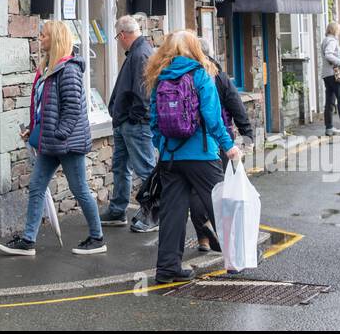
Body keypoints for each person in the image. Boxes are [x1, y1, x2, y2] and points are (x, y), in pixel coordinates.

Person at [0, 20, 106, 257]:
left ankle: (97, 238)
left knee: (80, 190)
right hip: (51, 142)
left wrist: (58, 134)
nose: (40, 39)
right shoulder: (49, 68)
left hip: (66, 144)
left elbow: (72, 109)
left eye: (43, 36)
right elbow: (43, 106)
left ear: (55, 39)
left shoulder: (68, 70)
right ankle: (28, 240)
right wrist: (33, 128)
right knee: (36, 186)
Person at [148, 30, 241, 284]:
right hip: (201, 154)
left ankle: (167, 268)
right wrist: (229, 146)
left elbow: (153, 122)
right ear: (194, 48)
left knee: (173, 213)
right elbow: (213, 119)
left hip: (170, 157)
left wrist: (163, 146)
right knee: (221, 205)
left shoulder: (160, 77)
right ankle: (236, 259)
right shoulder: (201, 74)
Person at [187, 42, 254, 253]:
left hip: (193, 143)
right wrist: (247, 134)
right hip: (220, 141)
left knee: (197, 192)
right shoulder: (219, 77)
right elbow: (237, 106)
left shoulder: (186, 77)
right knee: (222, 190)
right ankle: (231, 243)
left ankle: (203, 240)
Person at [99, 15, 158, 233]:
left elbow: (143, 94)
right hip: (127, 123)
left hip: (135, 124)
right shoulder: (138, 51)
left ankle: (153, 215)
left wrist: (132, 118)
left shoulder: (141, 53)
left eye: (118, 37)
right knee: (120, 168)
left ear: (123, 35)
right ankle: (117, 211)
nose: (119, 41)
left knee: (146, 170)